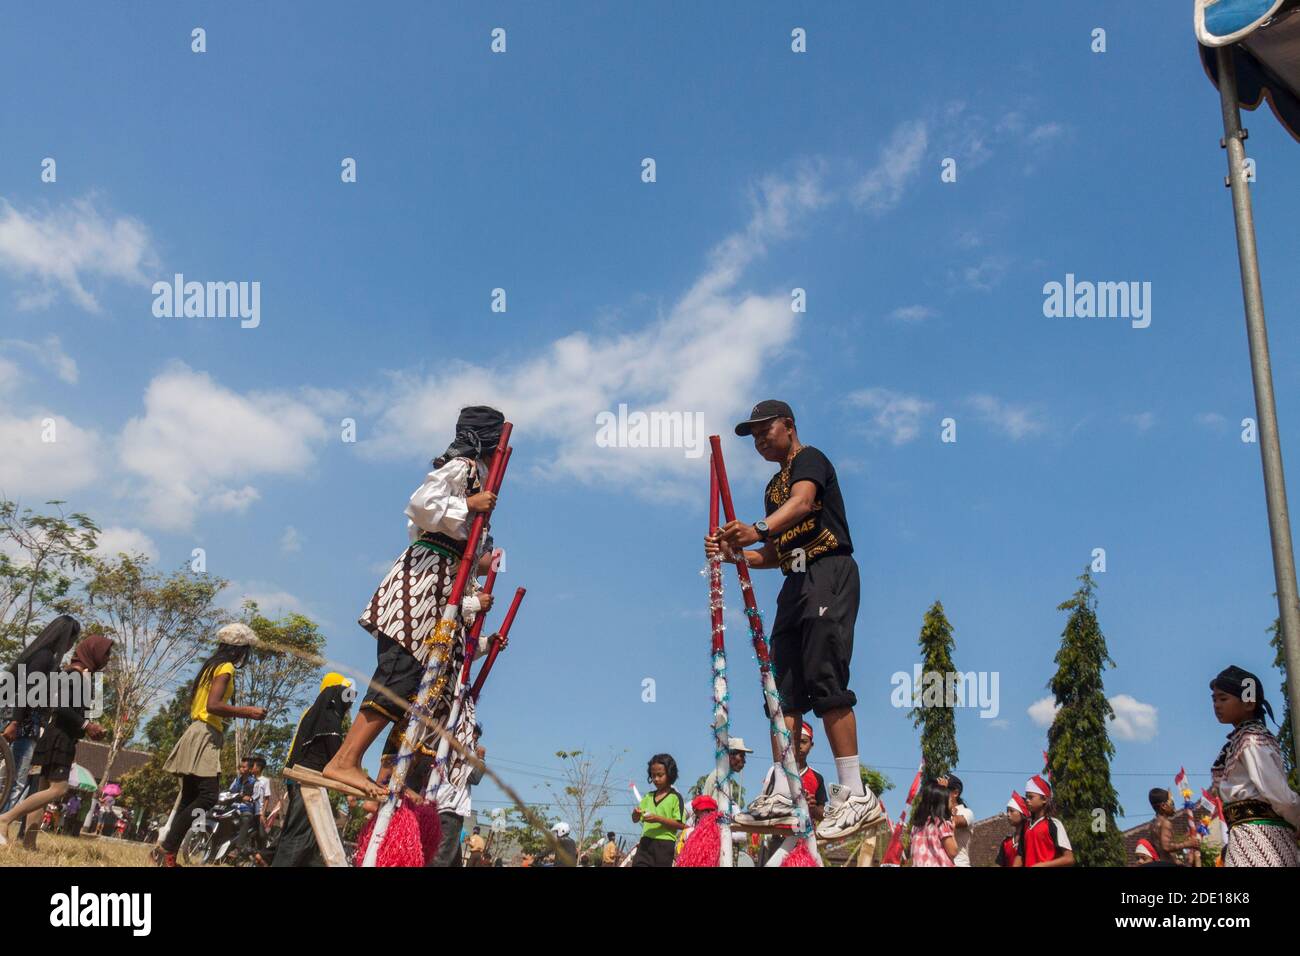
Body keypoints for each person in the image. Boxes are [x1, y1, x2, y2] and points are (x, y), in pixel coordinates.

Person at [709, 400, 884, 840]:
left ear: (788, 425)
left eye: (765, 430)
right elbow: (774, 552)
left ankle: (855, 791)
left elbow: (803, 504)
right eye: (752, 437)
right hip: (797, 578)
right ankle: (785, 788)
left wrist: (758, 528)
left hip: (830, 570)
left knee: (825, 677)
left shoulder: (810, 460)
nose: (759, 440)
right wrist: (735, 555)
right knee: (781, 687)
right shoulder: (772, 489)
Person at [323, 406, 503, 798]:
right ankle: (344, 760)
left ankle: (390, 772)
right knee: (399, 673)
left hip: (438, 588)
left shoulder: (473, 478)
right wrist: (468, 507)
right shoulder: (463, 468)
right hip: (420, 584)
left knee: (419, 682)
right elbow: (421, 505)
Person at [155, 623, 266, 867]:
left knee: (189, 797)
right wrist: (248, 712)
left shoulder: (211, 665)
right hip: (205, 733)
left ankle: (165, 854)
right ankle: (167, 848)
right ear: (240, 649)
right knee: (207, 796)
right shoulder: (225, 668)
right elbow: (213, 705)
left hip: (198, 730)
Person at [0, 634, 113, 850]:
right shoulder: (74, 676)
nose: (107, 658)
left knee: (42, 791)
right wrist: (86, 726)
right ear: (93, 652)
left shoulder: (79, 676)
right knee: (59, 789)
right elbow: (60, 706)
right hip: (59, 738)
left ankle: (30, 844)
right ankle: (5, 819)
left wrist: (87, 727)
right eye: (105, 652)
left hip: (57, 736)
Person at [1208, 664, 1300, 866]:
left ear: (1249, 703)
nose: (1216, 705)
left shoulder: (1253, 739)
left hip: (1264, 840)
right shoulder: (1239, 741)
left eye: (1223, 699)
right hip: (1244, 837)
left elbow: (1280, 796)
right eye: (1214, 699)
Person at [273, 673, 353, 867]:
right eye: (348, 695)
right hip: (308, 781)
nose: (350, 702)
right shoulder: (328, 716)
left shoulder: (313, 712)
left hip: (300, 778)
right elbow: (336, 756)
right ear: (336, 691)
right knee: (299, 838)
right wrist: (350, 784)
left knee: (309, 841)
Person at [753, 722, 828, 864]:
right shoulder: (777, 772)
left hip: (805, 841)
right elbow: (763, 804)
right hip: (778, 839)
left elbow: (822, 814)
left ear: (812, 745)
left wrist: (812, 807)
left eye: (804, 742)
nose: (799, 746)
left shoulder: (817, 777)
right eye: (796, 741)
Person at [430, 722, 487, 867]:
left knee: (454, 860)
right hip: (450, 809)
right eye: (475, 738)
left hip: (440, 806)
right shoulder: (463, 752)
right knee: (441, 860)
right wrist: (481, 758)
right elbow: (474, 777)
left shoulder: (446, 747)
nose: (476, 742)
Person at [631, 753, 686, 867]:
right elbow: (635, 819)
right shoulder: (648, 797)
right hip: (645, 843)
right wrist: (635, 814)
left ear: (670, 774)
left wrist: (658, 819)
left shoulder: (675, 798)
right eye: (653, 775)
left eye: (660, 775)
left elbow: (681, 825)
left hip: (664, 846)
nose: (656, 779)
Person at [1018, 775, 1074, 867]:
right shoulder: (1025, 826)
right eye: (1026, 797)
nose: (1027, 800)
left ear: (1044, 799)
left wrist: (1043, 865)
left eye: (1031, 797)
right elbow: (1020, 857)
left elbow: (1069, 859)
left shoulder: (1054, 824)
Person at [693, 737, 752, 821]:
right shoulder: (720, 776)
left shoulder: (725, 778)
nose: (744, 761)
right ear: (731, 756)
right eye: (741, 756)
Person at [1147, 788, 1200, 866]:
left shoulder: (1152, 824)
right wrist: (1188, 843)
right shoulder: (1165, 823)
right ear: (1163, 806)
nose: (1175, 808)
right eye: (1172, 803)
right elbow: (1166, 847)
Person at [939, 773, 975, 867]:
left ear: (955, 793)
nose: (939, 792)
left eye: (943, 789)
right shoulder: (936, 813)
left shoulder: (966, 812)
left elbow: (954, 822)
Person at [996, 792, 1028, 867]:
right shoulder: (1006, 843)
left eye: (1012, 811)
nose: (1008, 814)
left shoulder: (1030, 836)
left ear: (1023, 813)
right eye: (1007, 811)